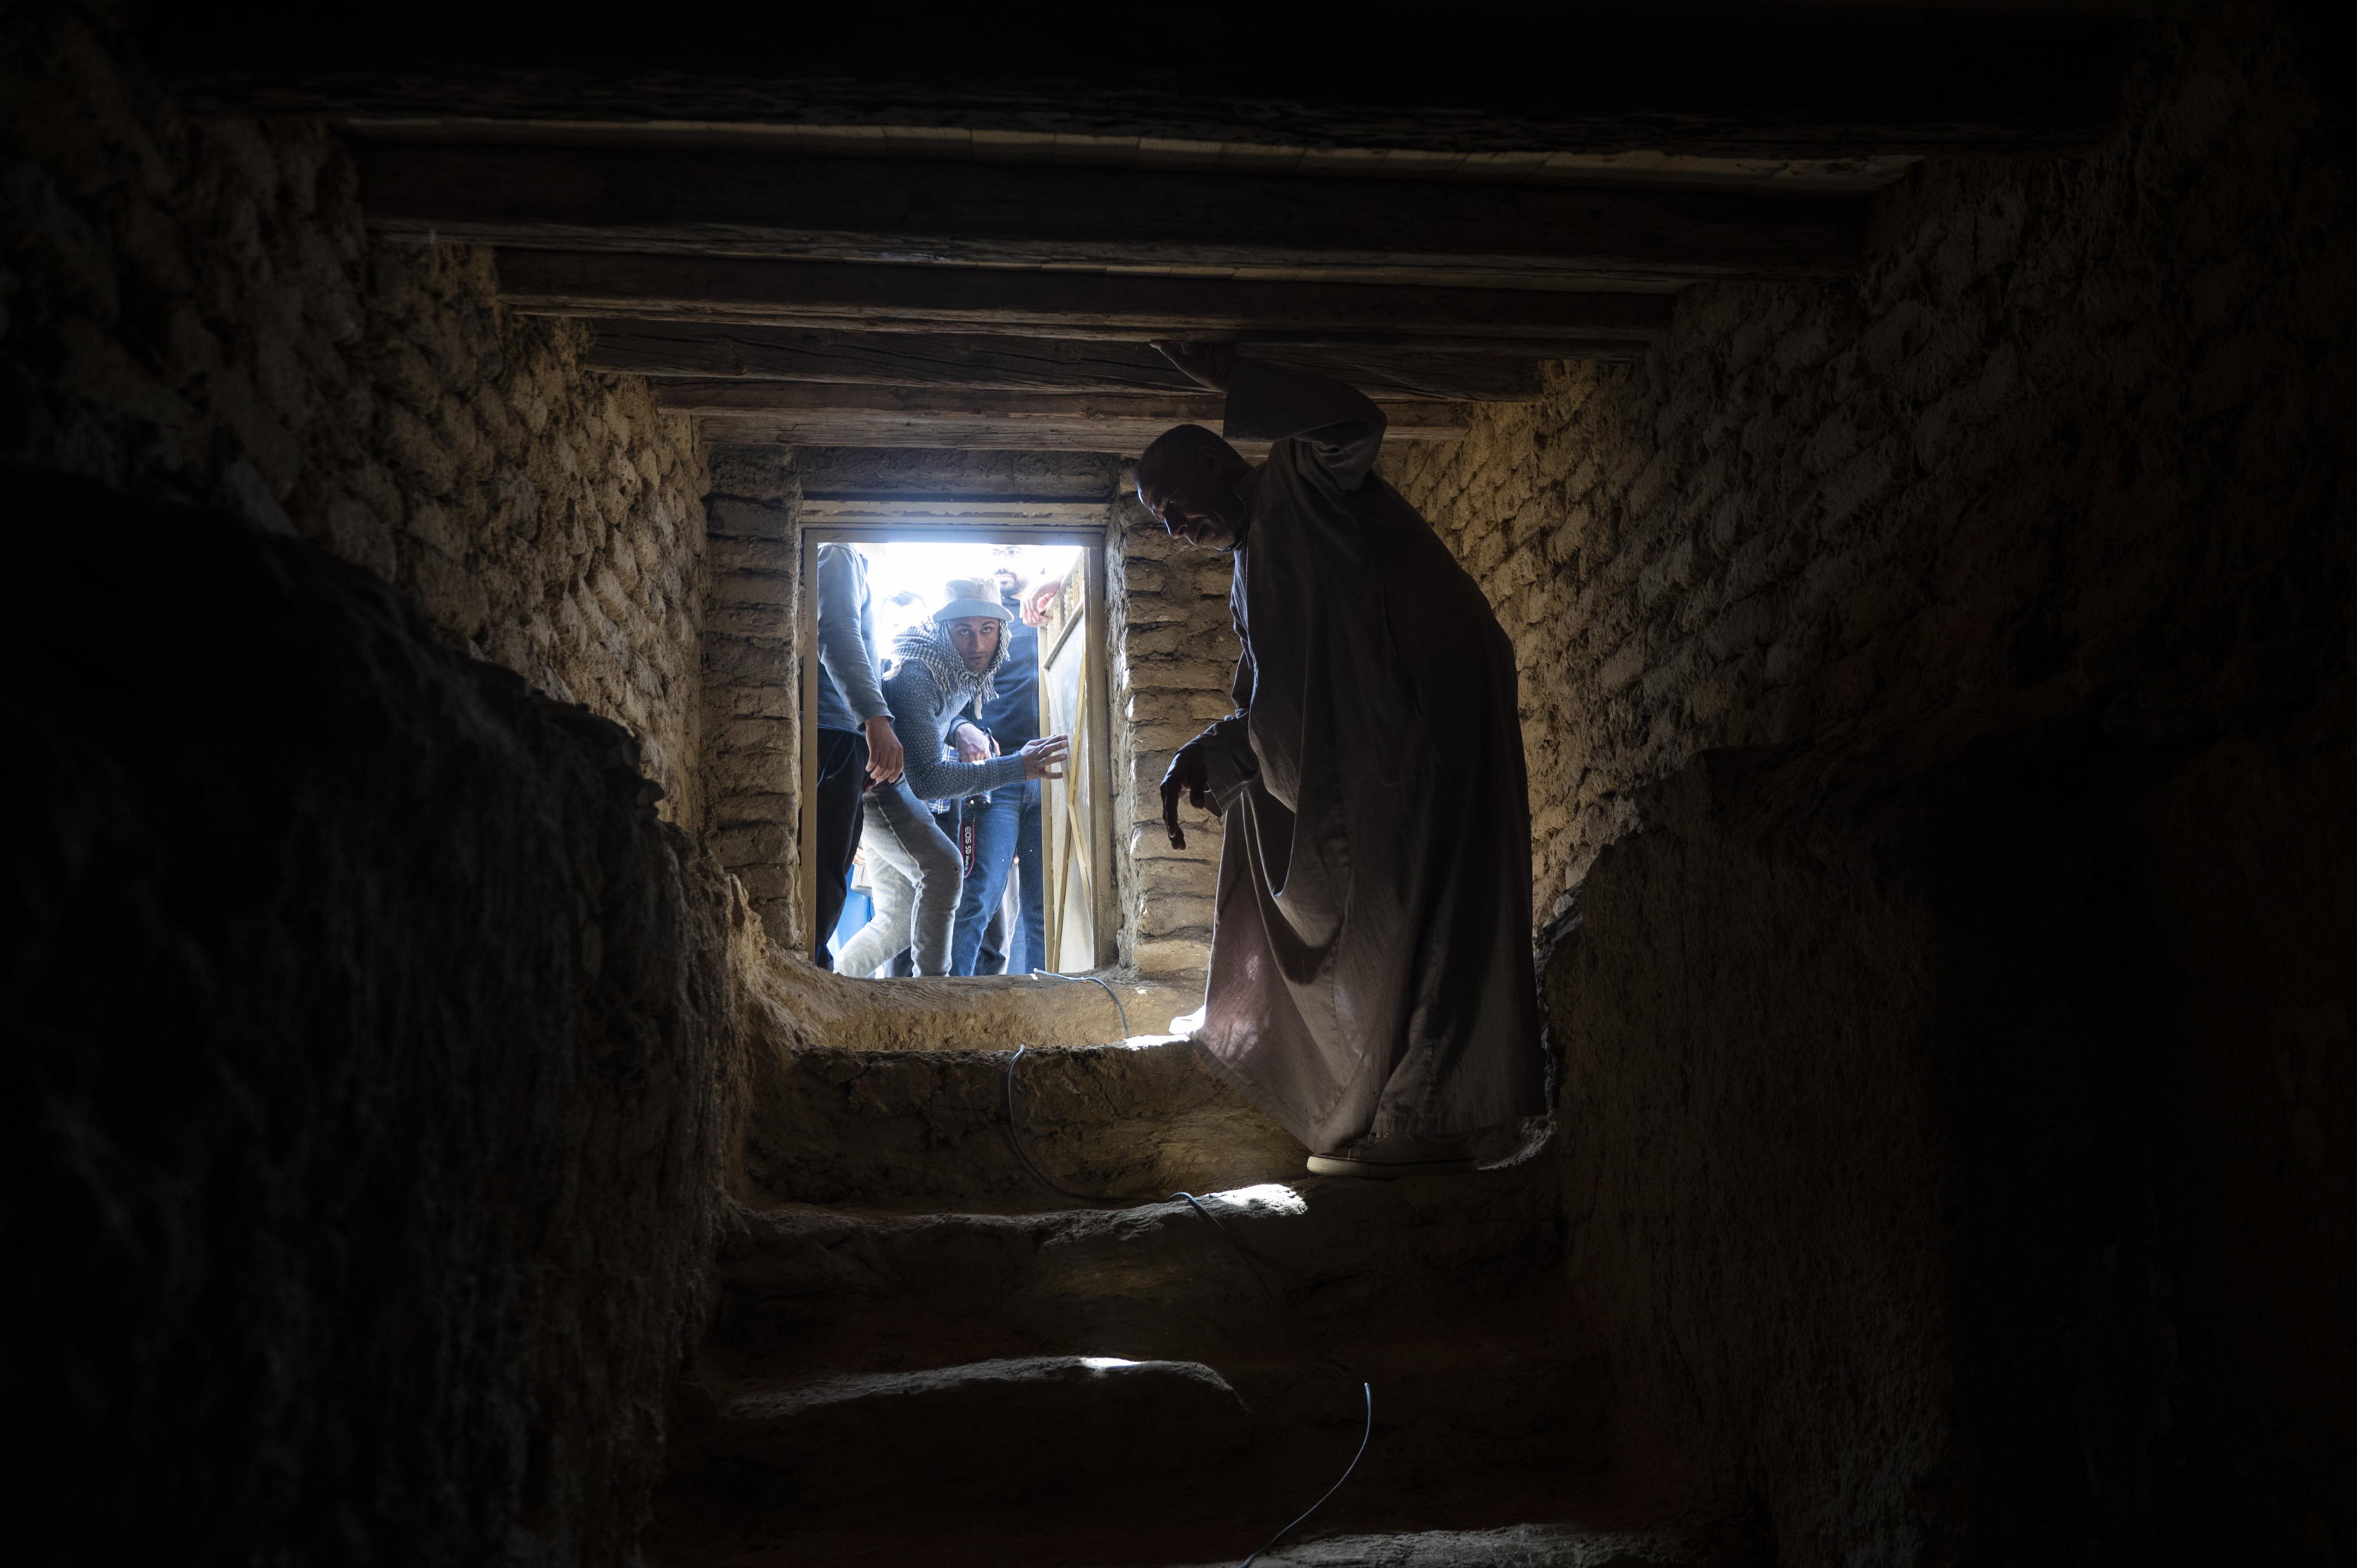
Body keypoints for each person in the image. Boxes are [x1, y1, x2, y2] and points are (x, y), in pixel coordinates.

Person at [1140, 342, 1547, 1178]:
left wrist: (1230, 374)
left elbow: (1355, 418)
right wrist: (1203, 755)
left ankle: (1436, 1113)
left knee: (1443, 919)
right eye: (1163, 523)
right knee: (1388, 918)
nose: (1179, 529)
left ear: (1220, 462)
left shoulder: (1299, 479)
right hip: (1377, 764)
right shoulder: (1248, 570)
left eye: (1177, 503)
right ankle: (1402, 1103)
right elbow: (1270, 711)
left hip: (1431, 727)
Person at [835, 581, 1070, 977]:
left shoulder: (957, 672)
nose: (976, 644)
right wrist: (1017, 766)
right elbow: (926, 780)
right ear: (944, 630)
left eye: (986, 630)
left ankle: (834, 985)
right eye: (963, 630)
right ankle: (934, 993)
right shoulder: (919, 674)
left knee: (895, 922)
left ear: (1001, 633)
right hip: (880, 785)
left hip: (887, 784)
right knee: (945, 870)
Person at [949, 568, 1051, 975]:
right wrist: (961, 726)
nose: (1003, 558)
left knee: (1044, 905)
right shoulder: (973, 626)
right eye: (995, 551)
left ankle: (1046, 1008)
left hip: (1055, 777)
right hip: (996, 776)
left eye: (1012, 549)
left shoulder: (1055, 606)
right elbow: (942, 694)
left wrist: (1057, 578)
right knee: (978, 896)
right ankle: (949, 1005)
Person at [810, 542, 903, 968]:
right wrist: (875, 720)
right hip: (830, 727)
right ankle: (811, 970)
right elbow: (837, 633)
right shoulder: (839, 552)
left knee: (834, 863)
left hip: (841, 730)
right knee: (825, 866)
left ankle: (813, 966)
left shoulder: (854, 562)